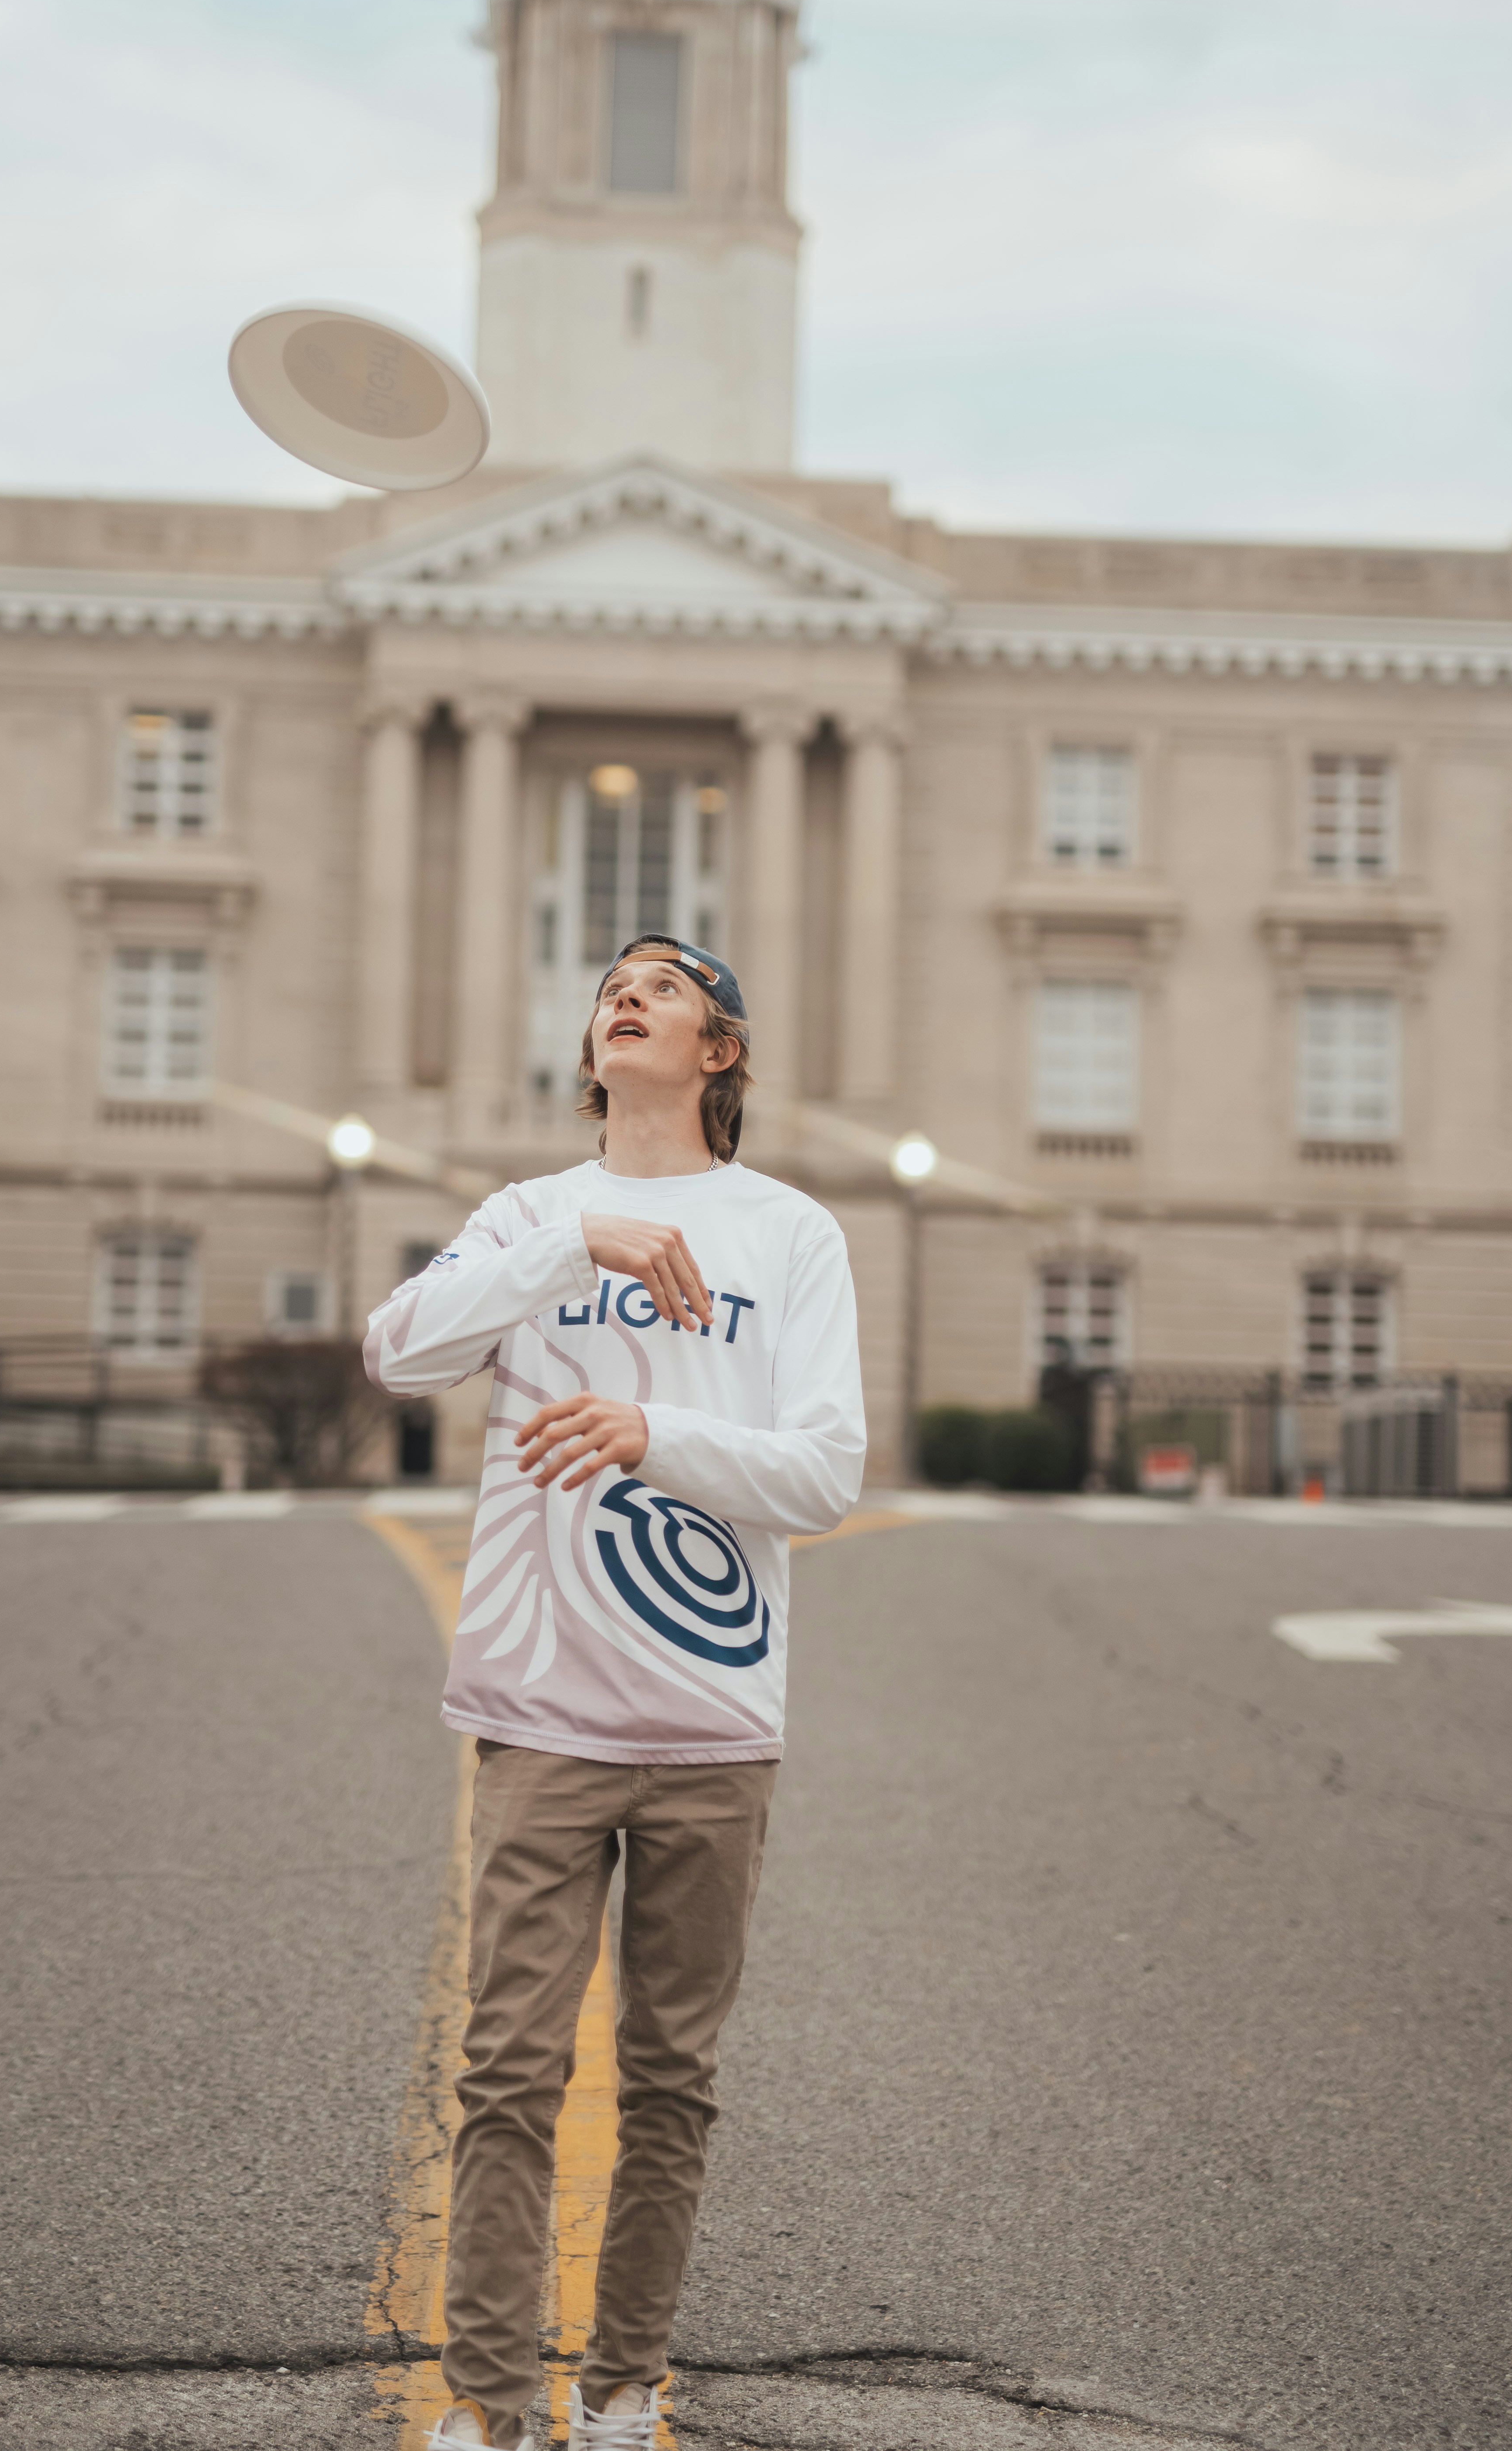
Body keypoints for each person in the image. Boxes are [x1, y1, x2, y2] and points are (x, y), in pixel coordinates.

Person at [364, 935, 866, 2451]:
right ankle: (488, 2410)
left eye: (664, 983)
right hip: (539, 1707)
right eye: (608, 989)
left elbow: (827, 1472)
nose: (624, 994)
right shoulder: (530, 1216)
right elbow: (400, 1352)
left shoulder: (790, 1234)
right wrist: (573, 1243)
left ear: (721, 1051)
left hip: (715, 1724)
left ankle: (632, 2379)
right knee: (509, 2070)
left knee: (670, 2080)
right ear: (595, 1052)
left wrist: (656, 1436)